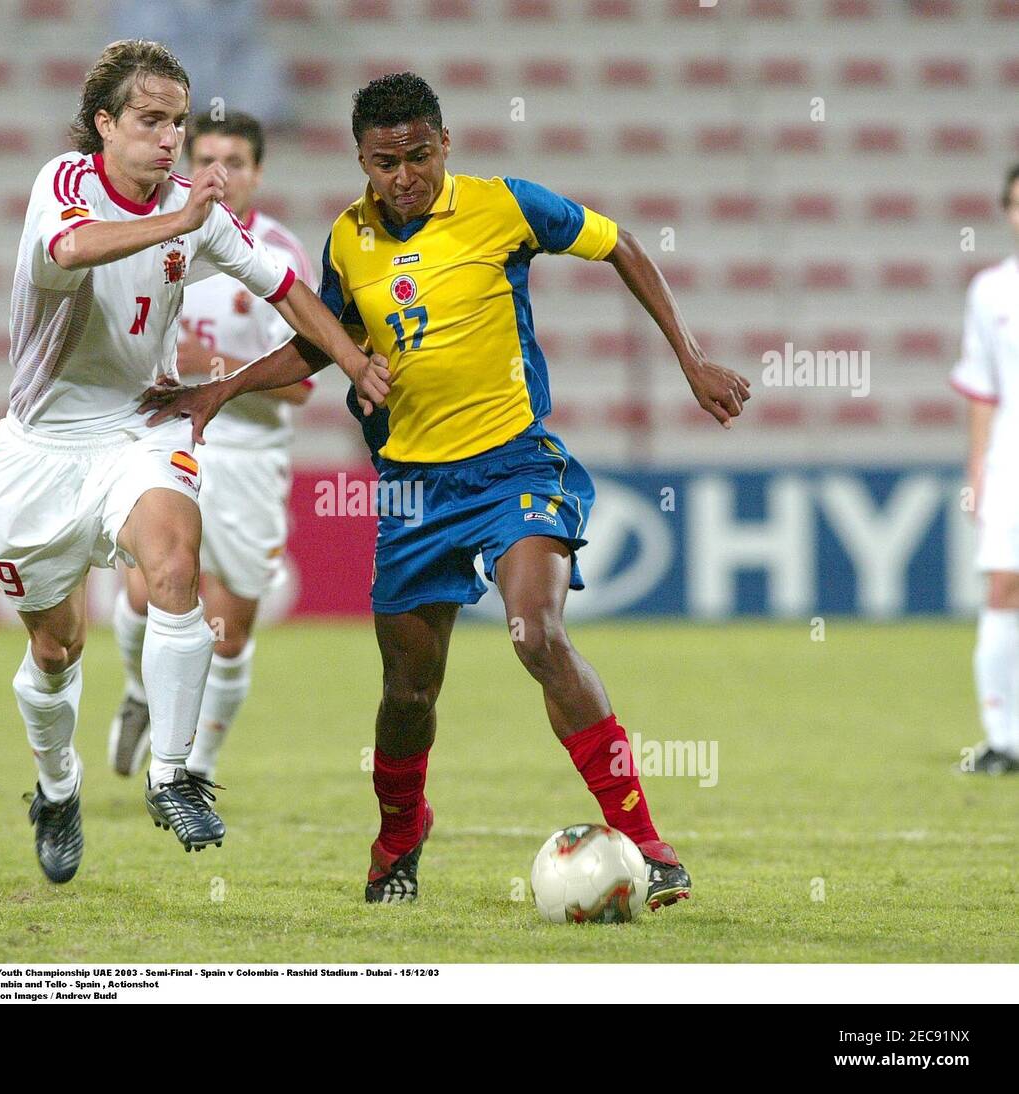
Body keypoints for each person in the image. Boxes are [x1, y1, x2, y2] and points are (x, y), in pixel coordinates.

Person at [144, 72, 749, 907]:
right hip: (411, 492)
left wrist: (688, 357)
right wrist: (218, 390)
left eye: (420, 156)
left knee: (536, 635)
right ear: (361, 158)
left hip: (515, 467)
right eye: (386, 161)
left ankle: (644, 838)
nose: (405, 176)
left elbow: (621, 246)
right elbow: (328, 341)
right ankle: (400, 835)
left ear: (445, 145)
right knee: (407, 690)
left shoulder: (506, 205)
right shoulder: (348, 240)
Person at [0, 40, 388, 883]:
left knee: (175, 565)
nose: (171, 139)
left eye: (178, 120)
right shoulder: (63, 184)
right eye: (152, 120)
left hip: (142, 425)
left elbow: (287, 290)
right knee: (54, 650)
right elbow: (73, 251)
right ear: (104, 123)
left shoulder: (197, 212)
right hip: (43, 448)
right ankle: (58, 787)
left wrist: (354, 365)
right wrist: (187, 218)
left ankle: (174, 773)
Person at [108, 109, 317, 784]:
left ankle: (196, 768)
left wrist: (213, 362)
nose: (220, 176)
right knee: (145, 592)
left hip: (251, 455)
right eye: (207, 161)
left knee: (227, 631)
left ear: (259, 173)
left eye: (237, 162)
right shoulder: (159, 236)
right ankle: (141, 695)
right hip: (167, 440)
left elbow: (301, 390)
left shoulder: (282, 257)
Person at [952, 164, 1019, 776]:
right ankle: (1003, 738)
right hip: (1011, 464)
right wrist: (979, 469)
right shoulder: (992, 291)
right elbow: (983, 391)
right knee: (1002, 588)